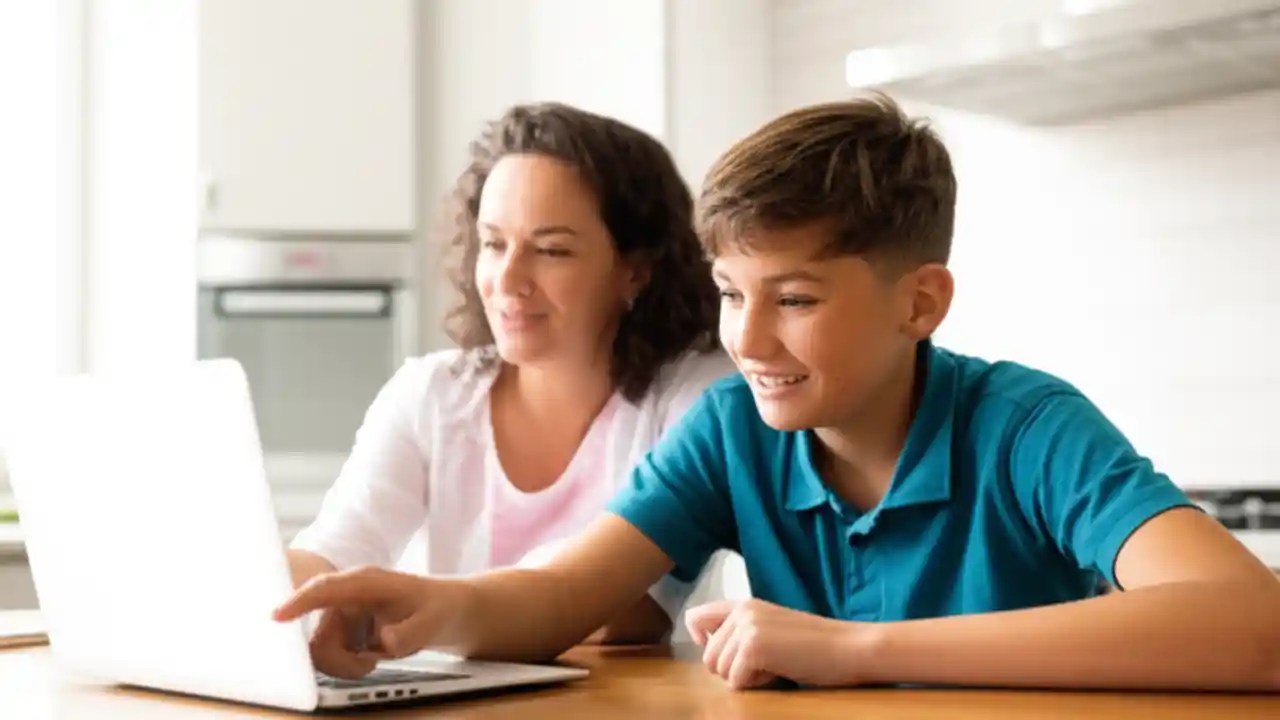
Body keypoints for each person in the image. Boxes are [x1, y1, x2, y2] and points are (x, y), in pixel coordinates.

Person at [274, 95, 1280, 691]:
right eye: (726, 294)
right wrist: (419, 608)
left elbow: (1253, 624)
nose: (746, 340)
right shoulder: (732, 432)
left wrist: (856, 648)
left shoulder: (1023, 427)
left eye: (793, 299)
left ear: (918, 302)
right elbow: (558, 598)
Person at [285, 102, 735, 672]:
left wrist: (421, 607)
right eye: (494, 244)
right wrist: (271, 596)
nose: (508, 280)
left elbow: (612, 611)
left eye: (551, 250)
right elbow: (335, 549)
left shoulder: (695, 399)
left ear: (636, 270)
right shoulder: (432, 394)